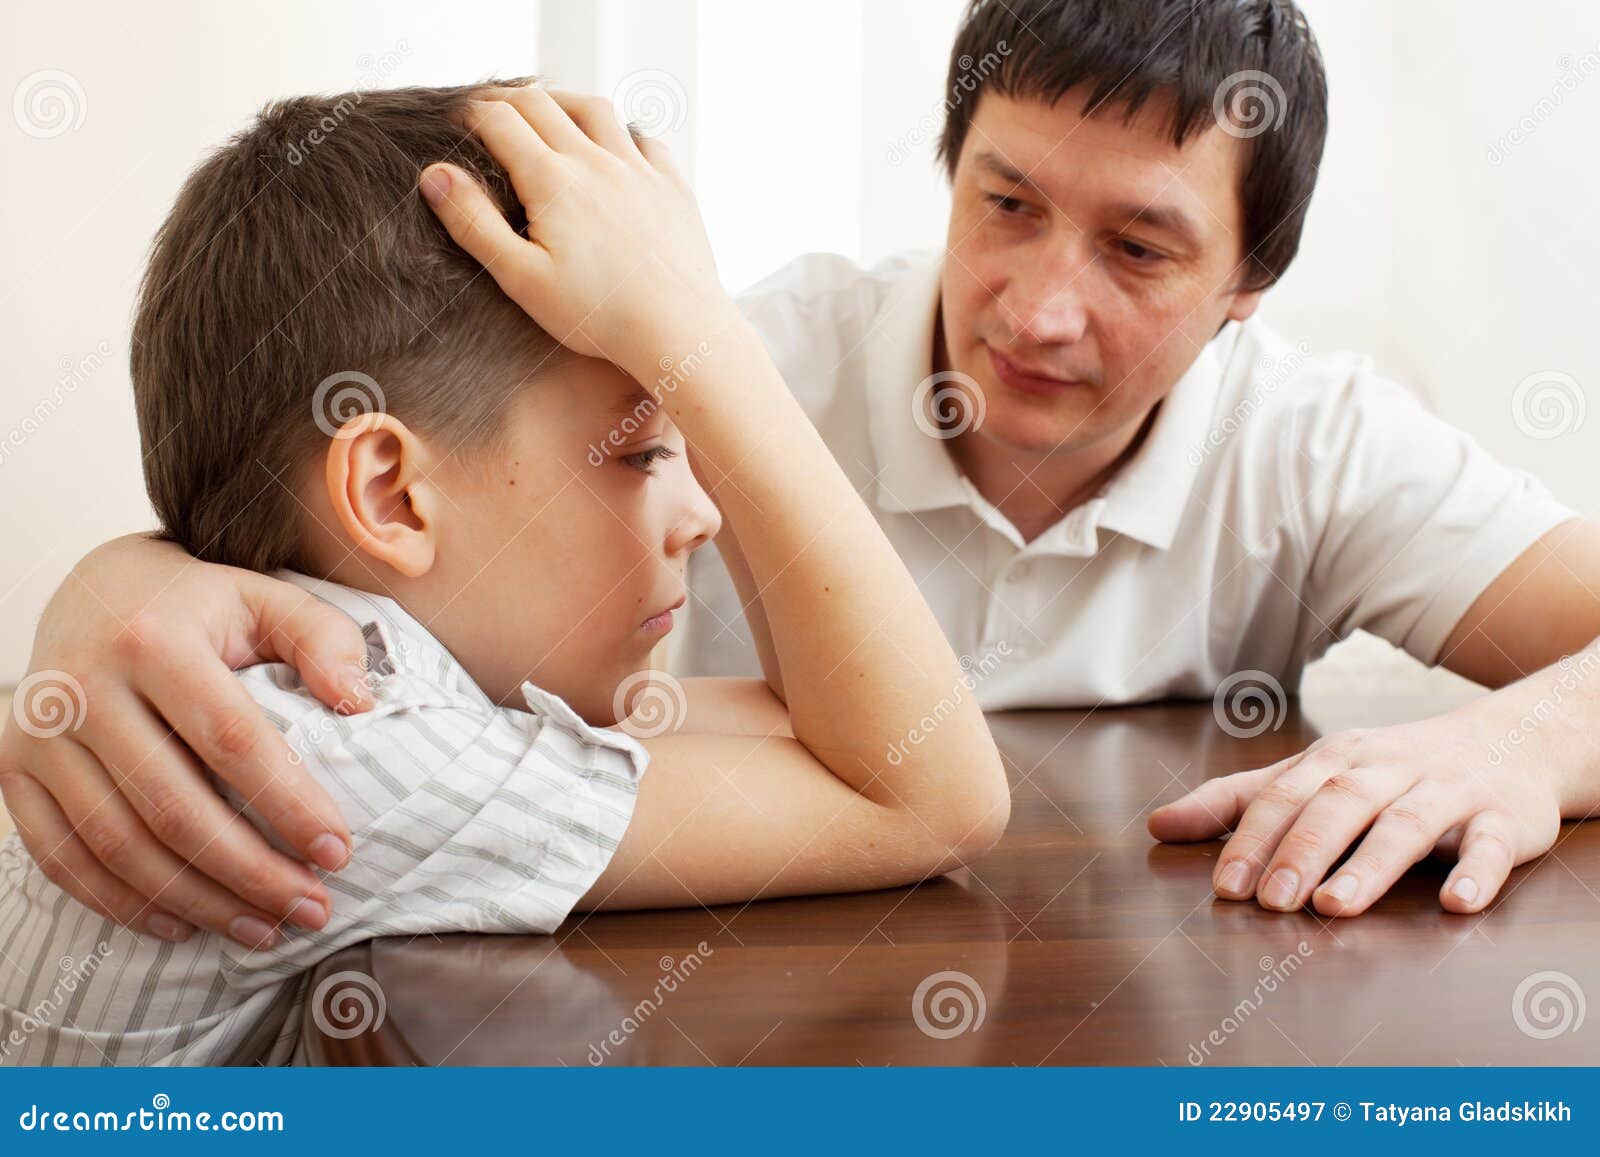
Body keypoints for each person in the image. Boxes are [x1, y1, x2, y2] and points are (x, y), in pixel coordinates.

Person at [5, 0, 1599, 937]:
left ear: (1251, 292)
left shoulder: (1316, 443)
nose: (1042, 308)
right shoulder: (713, 368)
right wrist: (126, 578)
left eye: (1139, 248)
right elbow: (338, 542)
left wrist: (1524, 743)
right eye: (1006, 202)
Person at [0, 81, 1008, 1063]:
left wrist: (683, 323)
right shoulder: (351, 747)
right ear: (392, 494)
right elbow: (929, 797)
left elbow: (830, 739)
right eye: (643, 451)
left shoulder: (363, 675)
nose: (701, 514)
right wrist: (704, 342)